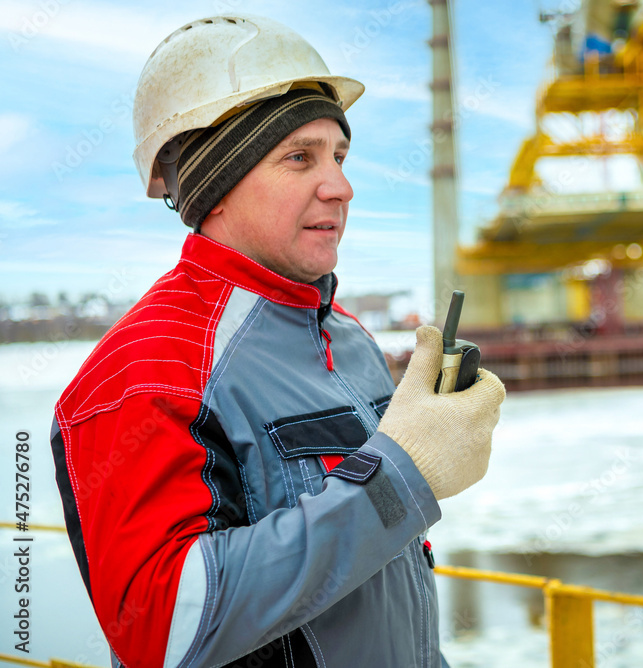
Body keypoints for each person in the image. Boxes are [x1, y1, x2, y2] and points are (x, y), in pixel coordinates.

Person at [49, 13, 505, 668]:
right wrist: (405, 472)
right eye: (299, 157)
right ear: (217, 183)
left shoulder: (347, 336)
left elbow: (386, 574)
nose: (341, 187)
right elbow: (165, 630)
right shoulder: (147, 370)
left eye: (340, 156)